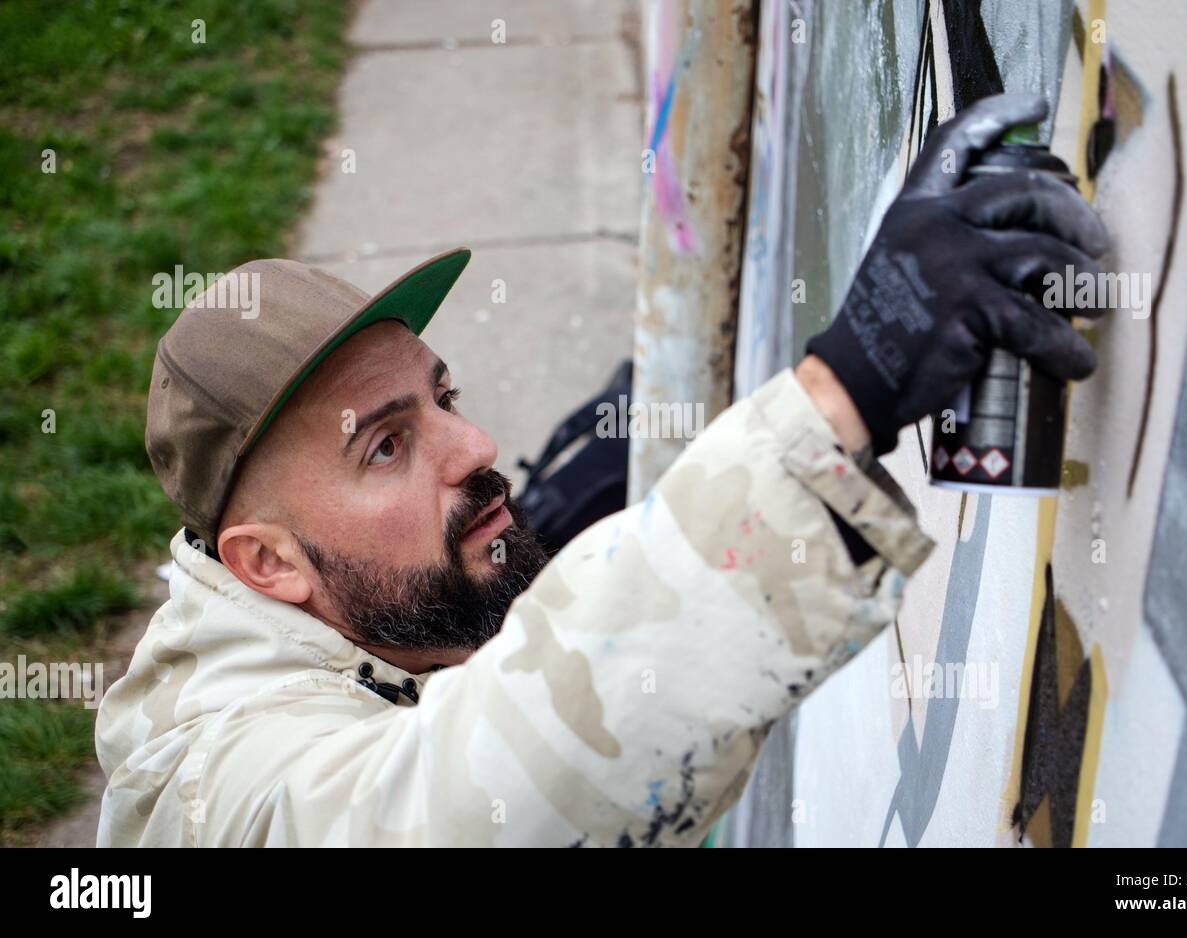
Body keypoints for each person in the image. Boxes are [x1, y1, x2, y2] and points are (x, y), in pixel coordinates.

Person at [95, 93, 1108, 847]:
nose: (476, 448)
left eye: (443, 397)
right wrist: (846, 392)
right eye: (386, 445)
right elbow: (456, 808)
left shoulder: (375, 627)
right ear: (267, 563)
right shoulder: (215, 780)